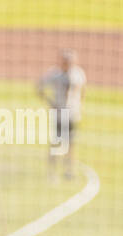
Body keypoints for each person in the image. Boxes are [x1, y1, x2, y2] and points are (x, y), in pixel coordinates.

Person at [37, 49, 87, 179]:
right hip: (59, 115)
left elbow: (83, 91)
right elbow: (39, 87)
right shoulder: (54, 74)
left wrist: (79, 106)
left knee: (71, 143)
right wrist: (50, 103)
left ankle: (69, 171)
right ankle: (52, 172)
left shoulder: (78, 74)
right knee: (56, 143)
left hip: (72, 115)